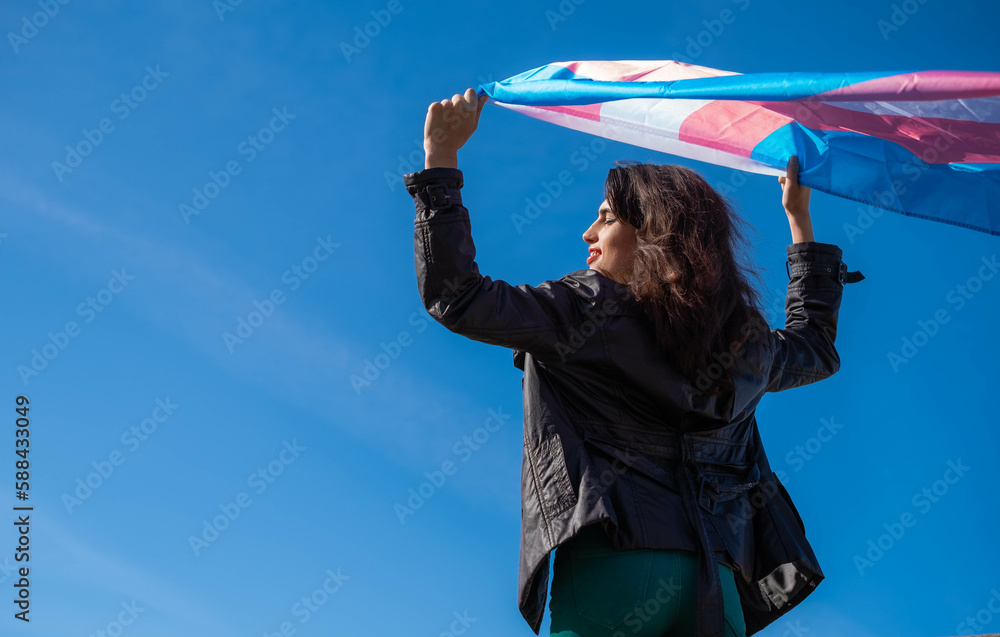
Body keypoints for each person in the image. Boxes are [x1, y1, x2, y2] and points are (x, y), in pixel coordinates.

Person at [403, 89, 864, 637]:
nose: (589, 233)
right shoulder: (746, 343)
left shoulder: (587, 308)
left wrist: (441, 162)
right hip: (718, 578)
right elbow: (814, 348)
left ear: (651, 233)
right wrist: (799, 224)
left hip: (618, 566)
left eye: (605, 217)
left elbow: (458, 297)